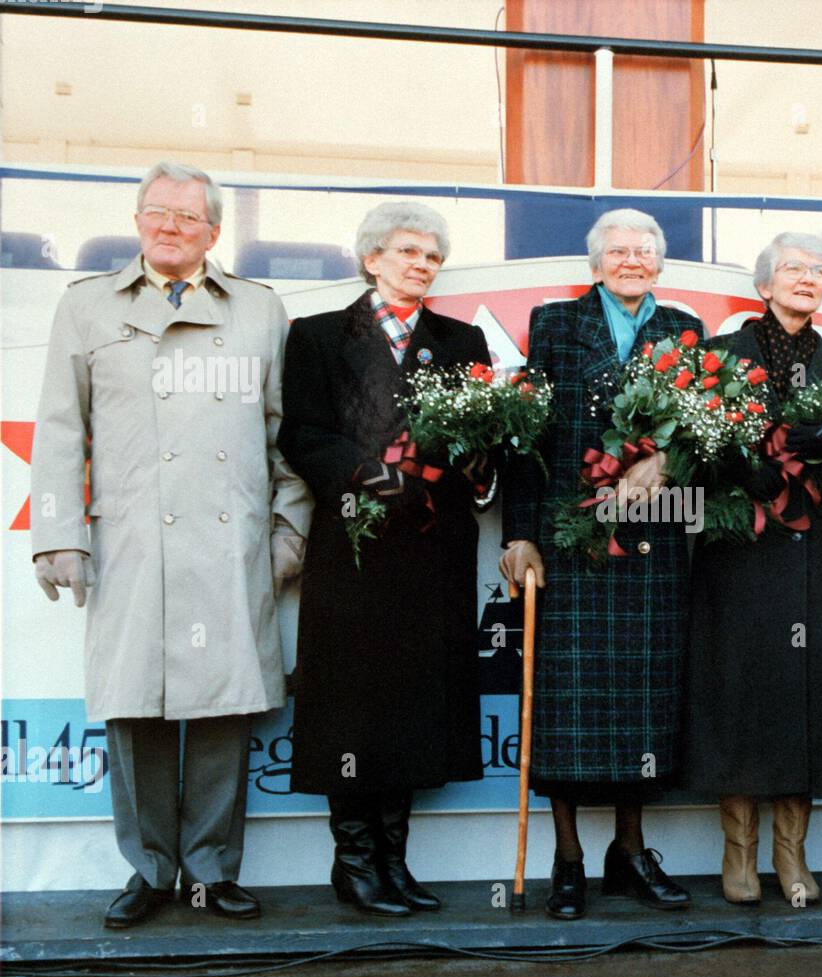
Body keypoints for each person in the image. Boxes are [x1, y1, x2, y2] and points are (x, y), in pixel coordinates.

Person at [30, 161, 311, 928]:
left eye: (188, 217)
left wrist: (290, 530)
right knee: (137, 707)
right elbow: (60, 429)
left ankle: (212, 873)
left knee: (224, 708)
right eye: (157, 212)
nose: (170, 226)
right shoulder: (87, 308)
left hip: (230, 541)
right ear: (137, 220)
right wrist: (59, 533)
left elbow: (284, 432)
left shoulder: (257, 310)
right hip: (131, 542)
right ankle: (151, 872)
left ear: (214, 232)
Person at [277, 202, 488, 916]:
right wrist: (366, 474)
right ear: (371, 258)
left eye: (432, 256)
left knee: (412, 705)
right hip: (353, 545)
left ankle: (394, 863)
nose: (421, 264)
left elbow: (477, 440)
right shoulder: (316, 336)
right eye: (407, 252)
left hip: (432, 552)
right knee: (351, 704)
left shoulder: (461, 340)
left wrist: (477, 462)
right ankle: (354, 863)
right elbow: (301, 433)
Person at [499, 209, 698, 920]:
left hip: (653, 545)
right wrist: (519, 534)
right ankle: (569, 858)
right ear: (596, 262)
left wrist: (668, 460)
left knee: (642, 702)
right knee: (567, 704)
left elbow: (705, 434)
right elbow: (526, 438)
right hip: (570, 541)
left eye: (644, 251)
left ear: (660, 264)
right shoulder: (554, 324)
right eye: (618, 251)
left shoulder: (683, 330)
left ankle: (631, 851)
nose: (632, 260)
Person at [682, 233, 822, 906]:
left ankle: (792, 853)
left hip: (810, 555)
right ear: (764, 285)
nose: (806, 278)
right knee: (737, 694)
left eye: (818, 269)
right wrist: (733, 462)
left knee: (804, 697)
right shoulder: (721, 357)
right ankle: (739, 852)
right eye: (793, 268)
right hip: (738, 550)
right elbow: (685, 446)